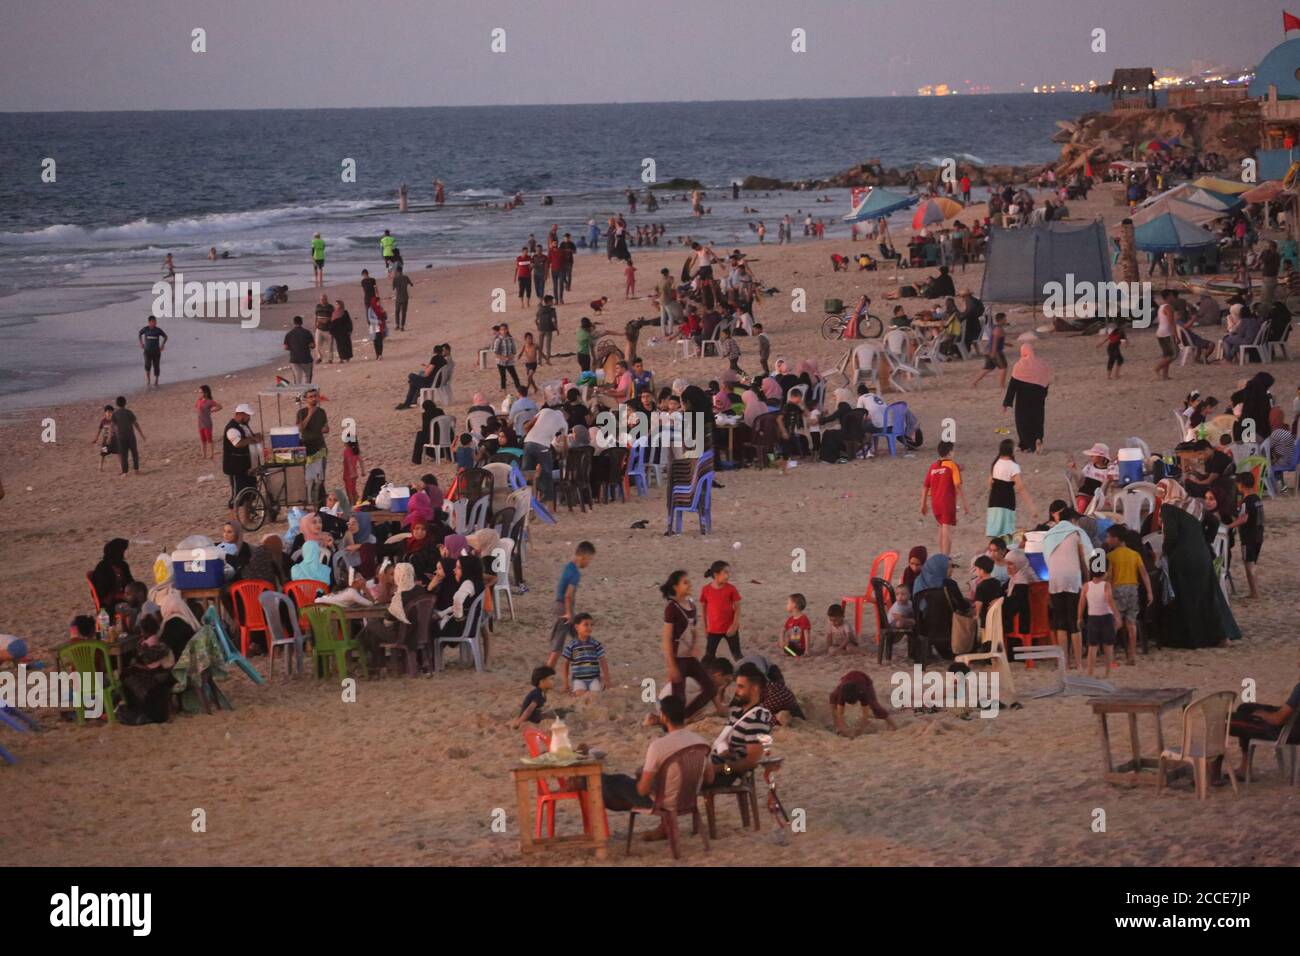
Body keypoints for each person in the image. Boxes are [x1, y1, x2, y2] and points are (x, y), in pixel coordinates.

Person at [601, 694, 713, 814]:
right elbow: (710, 779)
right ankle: (662, 827)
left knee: (614, 782)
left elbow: (643, 790)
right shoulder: (702, 742)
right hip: (689, 798)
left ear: (664, 717)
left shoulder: (658, 746)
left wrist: (642, 776)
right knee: (621, 785)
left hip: (662, 801)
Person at [1229, 658, 1300, 777]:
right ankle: (1244, 767)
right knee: (1245, 708)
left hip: (1285, 731)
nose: (1298, 663)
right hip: (1293, 724)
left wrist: (1263, 715)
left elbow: (1277, 720)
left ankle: (1212, 774)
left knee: (1222, 722)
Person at [660, 570, 715, 720]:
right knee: (679, 696)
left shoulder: (691, 605)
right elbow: (667, 638)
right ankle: (670, 723)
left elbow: (693, 629)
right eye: (685, 582)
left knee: (710, 687)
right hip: (678, 658)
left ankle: (685, 716)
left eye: (688, 581)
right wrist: (671, 665)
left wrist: (696, 644)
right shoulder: (672, 608)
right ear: (675, 587)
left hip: (689, 657)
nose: (689, 584)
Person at [1044, 501, 1091, 669]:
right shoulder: (1075, 533)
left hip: (1055, 581)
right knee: (1074, 621)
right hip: (1073, 580)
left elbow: (1047, 559)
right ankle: (1078, 663)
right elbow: (1084, 557)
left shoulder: (1049, 535)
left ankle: (1064, 662)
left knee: (1060, 622)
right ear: (1071, 519)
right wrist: (1087, 578)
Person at [708, 662, 771, 786]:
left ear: (754, 688)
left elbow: (751, 762)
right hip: (714, 763)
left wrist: (720, 769)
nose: (736, 691)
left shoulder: (757, 719)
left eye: (741, 687)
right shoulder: (737, 713)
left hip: (725, 772)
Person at [1104, 525, 1150, 665]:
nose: (1107, 540)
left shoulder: (1110, 556)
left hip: (1117, 590)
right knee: (1131, 624)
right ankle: (1132, 656)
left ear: (1116, 539)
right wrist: (1149, 591)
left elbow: (1109, 578)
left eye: (1109, 537)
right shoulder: (1134, 554)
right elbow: (1144, 574)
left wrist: (1107, 594)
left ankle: (1110, 657)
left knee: (1115, 623)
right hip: (1133, 589)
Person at [547, 541, 594, 669]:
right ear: (583, 557)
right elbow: (568, 595)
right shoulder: (575, 574)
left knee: (580, 636)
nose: (588, 563)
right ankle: (545, 675)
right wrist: (569, 613)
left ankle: (586, 666)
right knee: (557, 647)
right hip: (564, 609)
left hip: (563, 607)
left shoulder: (569, 567)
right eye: (589, 560)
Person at [920, 440, 969, 555]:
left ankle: (942, 554)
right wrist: (965, 504)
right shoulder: (952, 465)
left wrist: (923, 504)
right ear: (950, 452)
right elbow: (958, 485)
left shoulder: (933, 466)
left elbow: (925, 486)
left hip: (935, 502)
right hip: (947, 501)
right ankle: (946, 558)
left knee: (941, 528)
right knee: (947, 529)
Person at [1003, 339, 1052, 452]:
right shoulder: (1041, 364)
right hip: (1038, 398)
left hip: (1023, 400)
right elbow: (1046, 381)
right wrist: (1043, 395)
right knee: (1037, 420)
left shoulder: (1019, 366)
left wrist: (1007, 403)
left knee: (1022, 421)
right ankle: (1038, 439)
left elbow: (1013, 385)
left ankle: (1026, 444)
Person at [1225, 471, 1264, 598]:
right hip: (1258, 535)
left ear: (1241, 485)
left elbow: (1244, 518)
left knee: (1249, 564)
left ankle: (1254, 592)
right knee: (1253, 562)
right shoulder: (1257, 499)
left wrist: (1229, 526)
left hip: (1248, 537)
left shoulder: (1246, 501)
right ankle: (1255, 591)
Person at [986, 439, 1033, 540]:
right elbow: (1020, 487)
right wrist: (1031, 507)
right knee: (1006, 535)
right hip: (1007, 502)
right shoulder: (1013, 466)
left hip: (994, 501)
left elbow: (989, 482)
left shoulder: (996, 464)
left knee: (995, 534)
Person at [1078, 565, 1120, 677]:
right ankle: (1107, 673)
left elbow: (1082, 603)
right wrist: (1117, 615)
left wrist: (1079, 617)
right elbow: (1109, 600)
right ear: (1103, 573)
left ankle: (1090, 673)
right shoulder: (1106, 585)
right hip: (1106, 617)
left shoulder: (1086, 586)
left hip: (1093, 617)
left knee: (1092, 647)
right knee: (1108, 646)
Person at [830, 670, 897, 737]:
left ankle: (893, 725)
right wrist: (843, 729)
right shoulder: (842, 694)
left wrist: (859, 732)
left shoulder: (862, 693)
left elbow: (865, 715)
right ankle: (837, 727)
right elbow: (840, 714)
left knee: (874, 706)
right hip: (846, 681)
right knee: (832, 697)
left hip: (865, 681)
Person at [699, 560, 742, 661]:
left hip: (729, 629)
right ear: (716, 574)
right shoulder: (706, 590)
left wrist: (734, 625)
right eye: (725, 572)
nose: (728, 575)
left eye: (728, 573)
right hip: (713, 630)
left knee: (737, 655)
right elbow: (703, 609)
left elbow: (738, 608)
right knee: (709, 656)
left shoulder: (731, 589)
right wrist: (705, 627)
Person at [222, 403, 261, 511]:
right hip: (236, 467)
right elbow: (238, 443)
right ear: (239, 414)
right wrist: (253, 439)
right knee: (238, 496)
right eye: (247, 415)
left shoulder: (244, 425)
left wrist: (255, 436)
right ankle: (233, 521)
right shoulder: (231, 428)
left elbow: (248, 438)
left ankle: (247, 518)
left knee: (250, 493)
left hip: (247, 465)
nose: (249, 418)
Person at [561, 612, 608, 694]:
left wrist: (607, 679)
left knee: (595, 696)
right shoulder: (571, 646)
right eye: (586, 624)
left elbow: (603, 661)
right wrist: (565, 683)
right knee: (579, 694)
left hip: (594, 679)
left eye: (591, 625)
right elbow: (565, 663)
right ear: (576, 627)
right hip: (578, 679)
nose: (589, 627)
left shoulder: (596, 644)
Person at [297, 387, 329, 506]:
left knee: (320, 479)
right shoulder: (302, 412)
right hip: (307, 450)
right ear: (306, 399)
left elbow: (326, 427)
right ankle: (309, 502)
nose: (314, 399)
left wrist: (325, 429)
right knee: (308, 479)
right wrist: (309, 414)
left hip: (321, 448)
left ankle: (321, 504)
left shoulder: (321, 412)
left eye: (315, 396)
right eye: (311, 397)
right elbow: (300, 428)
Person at [91, 538, 135, 610]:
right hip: (109, 602)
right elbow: (102, 591)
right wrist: (116, 595)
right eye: (122, 552)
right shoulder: (103, 567)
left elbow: (131, 582)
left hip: (123, 596)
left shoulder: (123, 565)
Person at [970, 555, 1006, 631]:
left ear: (982, 570)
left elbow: (979, 603)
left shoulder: (980, 586)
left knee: (986, 635)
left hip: (985, 615)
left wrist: (977, 614)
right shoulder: (997, 582)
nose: (975, 571)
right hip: (997, 615)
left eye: (976, 569)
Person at [111, 395, 144, 476]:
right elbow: (136, 424)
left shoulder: (114, 414)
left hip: (121, 437)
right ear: (125, 403)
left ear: (116, 404)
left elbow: (113, 426)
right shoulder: (129, 412)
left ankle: (125, 472)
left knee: (123, 454)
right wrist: (142, 434)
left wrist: (113, 436)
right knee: (134, 452)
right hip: (130, 436)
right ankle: (136, 470)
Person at [972, 313, 1008, 387]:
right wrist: (993, 352)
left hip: (989, 350)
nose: (1006, 320)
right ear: (1001, 320)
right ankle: (1002, 386)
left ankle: (974, 382)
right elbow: (994, 341)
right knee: (1003, 368)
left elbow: (997, 340)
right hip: (995, 351)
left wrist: (1006, 344)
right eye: (1005, 319)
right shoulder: (998, 329)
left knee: (988, 368)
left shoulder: (997, 328)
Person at [283, 315, 316, 383]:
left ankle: (298, 392)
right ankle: (307, 391)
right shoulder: (307, 332)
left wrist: (293, 348)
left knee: (297, 378)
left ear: (294, 323)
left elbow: (285, 347)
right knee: (307, 377)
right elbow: (312, 345)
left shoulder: (289, 334)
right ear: (301, 322)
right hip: (306, 358)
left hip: (294, 359)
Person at [138, 315, 168, 388]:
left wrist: (162, 345)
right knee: (147, 365)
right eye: (153, 322)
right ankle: (148, 380)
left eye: (155, 322)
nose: (154, 323)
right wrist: (141, 343)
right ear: (149, 322)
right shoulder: (145, 329)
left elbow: (165, 337)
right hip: (147, 351)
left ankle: (156, 381)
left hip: (156, 351)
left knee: (156, 366)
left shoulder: (158, 330)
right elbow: (139, 334)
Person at [194, 385, 222, 460]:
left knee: (209, 439)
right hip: (200, 423)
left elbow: (220, 407)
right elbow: (196, 408)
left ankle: (211, 455)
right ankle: (204, 455)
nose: (199, 393)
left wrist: (212, 411)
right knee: (202, 440)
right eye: (199, 392)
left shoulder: (209, 401)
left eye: (201, 392)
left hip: (207, 423)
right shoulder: (199, 400)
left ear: (205, 393)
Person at [492, 323, 523, 391]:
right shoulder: (498, 340)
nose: (503, 331)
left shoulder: (511, 339)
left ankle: (519, 390)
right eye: (501, 330)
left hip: (510, 361)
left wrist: (510, 356)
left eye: (504, 329)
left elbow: (514, 351)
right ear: (500, 331)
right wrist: (503, 358)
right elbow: (495, 352)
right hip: (500, 361)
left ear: (507, 330)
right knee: (503, 376)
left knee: (515, 376)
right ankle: (504, 391)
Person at [781, 593, 811, 658]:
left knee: (795, 630)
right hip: (792, 645)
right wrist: (781, 641)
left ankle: (794, 654)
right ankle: (792, 653)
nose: (786, 605)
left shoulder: (803, 619)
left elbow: (807, 635)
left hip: (800, 648)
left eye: (788, 603)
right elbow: (783, 630)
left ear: (794, 605)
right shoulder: (790, 619)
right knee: (786, 646)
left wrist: (807, 650)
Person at [313, 294, 335, 364]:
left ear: (326, 299)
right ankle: (319, 357)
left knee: (330, 345)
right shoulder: (318, 306)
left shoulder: (330, 307)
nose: (322, 301)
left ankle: (330, 359)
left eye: (324, 299)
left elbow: (334, 316)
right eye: (321, 299)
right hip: (319, 329)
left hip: (328, 329)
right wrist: (315, 324)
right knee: (317, 345)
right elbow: (316, 315)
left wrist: (328, 319)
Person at [391, 265, 413, 332]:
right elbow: (411, 284)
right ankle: (402, 327)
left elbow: (393, 288)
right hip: (405, 298)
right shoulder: (406, 277)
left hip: (398, 298)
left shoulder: (395, 278)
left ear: (397, 271)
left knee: (397, 312)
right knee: (403, 313)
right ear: (402, 270)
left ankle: (397, 325)